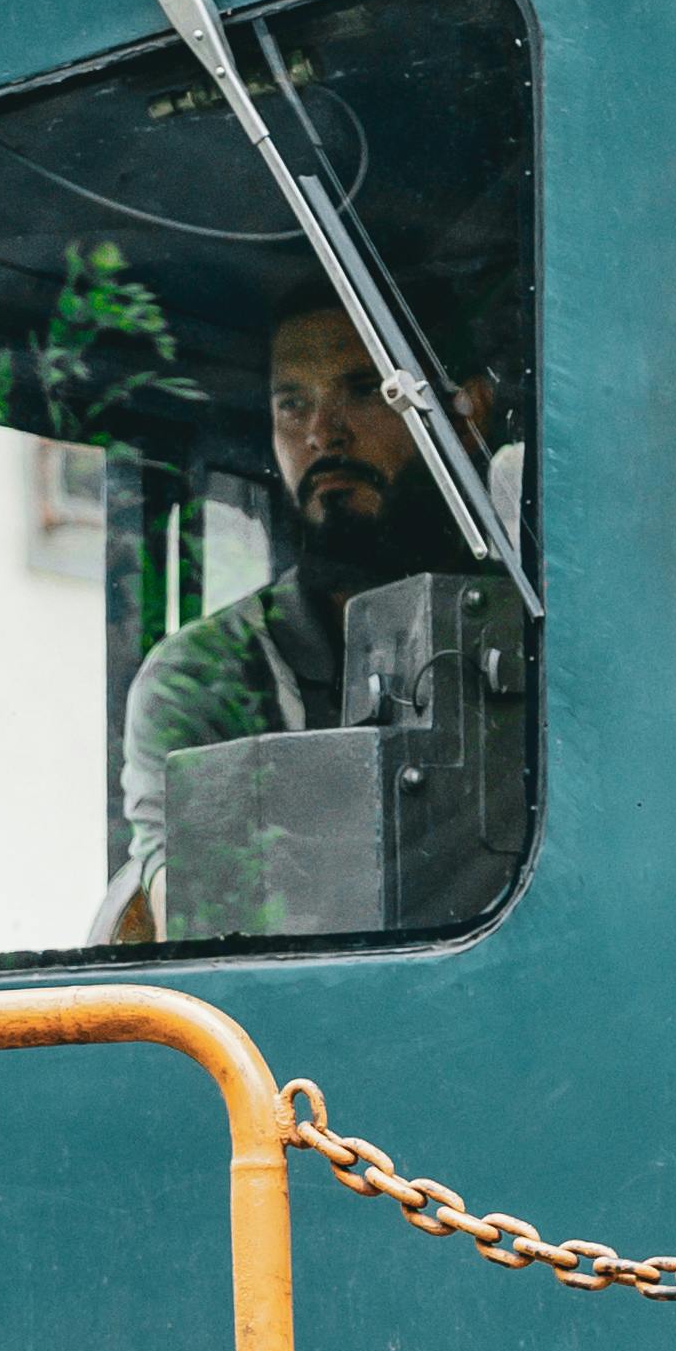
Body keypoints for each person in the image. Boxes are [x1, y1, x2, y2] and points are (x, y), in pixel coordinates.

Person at [111, 294, 511, 932]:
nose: (323, 432)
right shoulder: (204, 676)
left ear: (467, 415)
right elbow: (201, 924)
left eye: (366, 389)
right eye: (292, 403)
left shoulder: (529, 637)